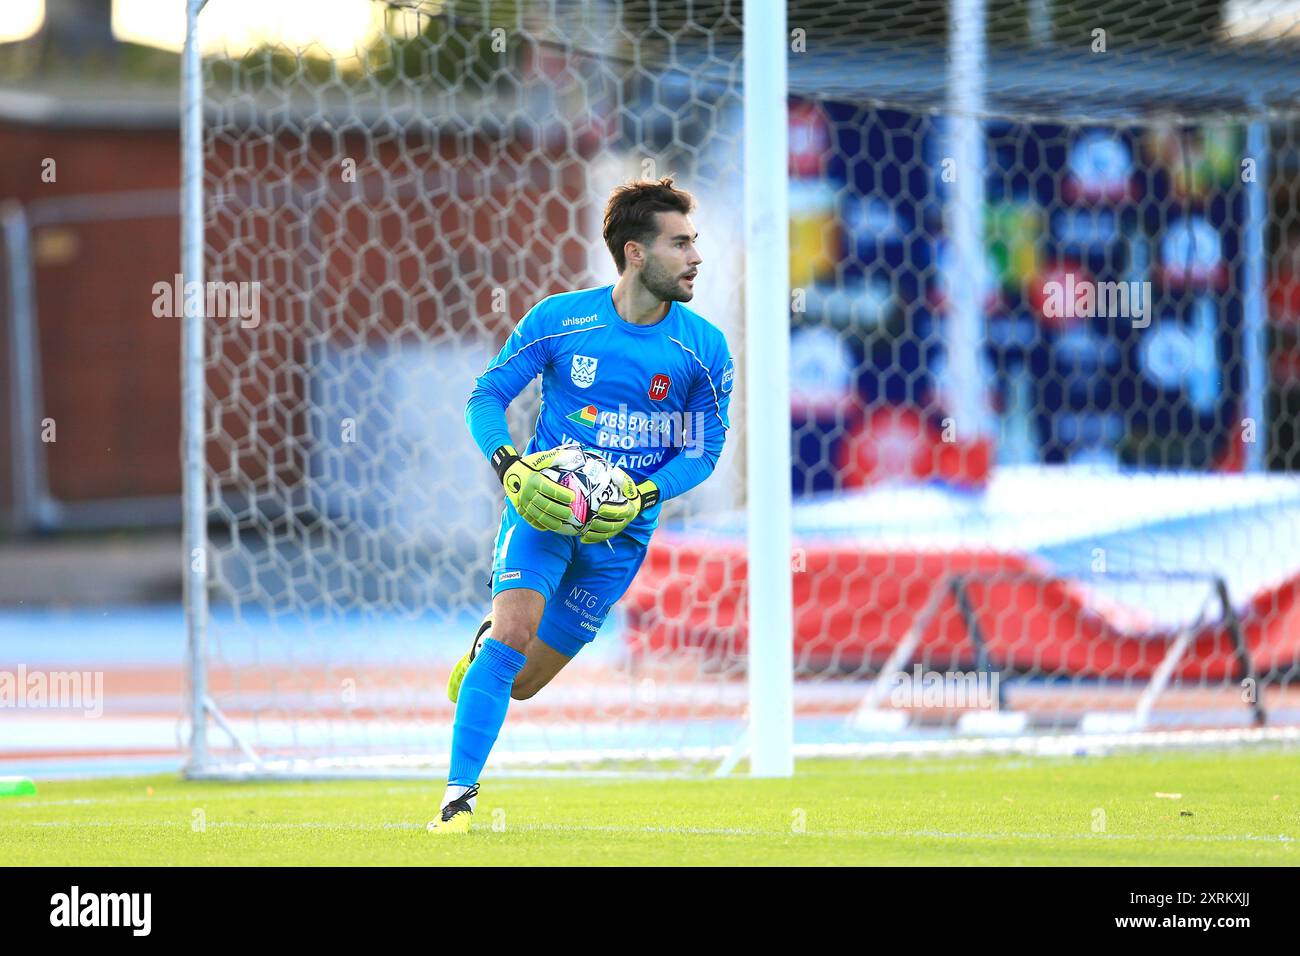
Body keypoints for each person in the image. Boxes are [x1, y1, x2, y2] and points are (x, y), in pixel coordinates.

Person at [429, 177, 734, 832]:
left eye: (695, 242)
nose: (695, 258)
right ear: (634, 253)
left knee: (523, 680)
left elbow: (705, 451)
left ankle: (485, 654)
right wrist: (511, 470)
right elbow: (485, 397)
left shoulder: (704, 348)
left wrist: (644, 492)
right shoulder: (559, 320)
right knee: (513, 634)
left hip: (621, 537)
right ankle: (457, 801)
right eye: (680, 244)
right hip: (543, 509)